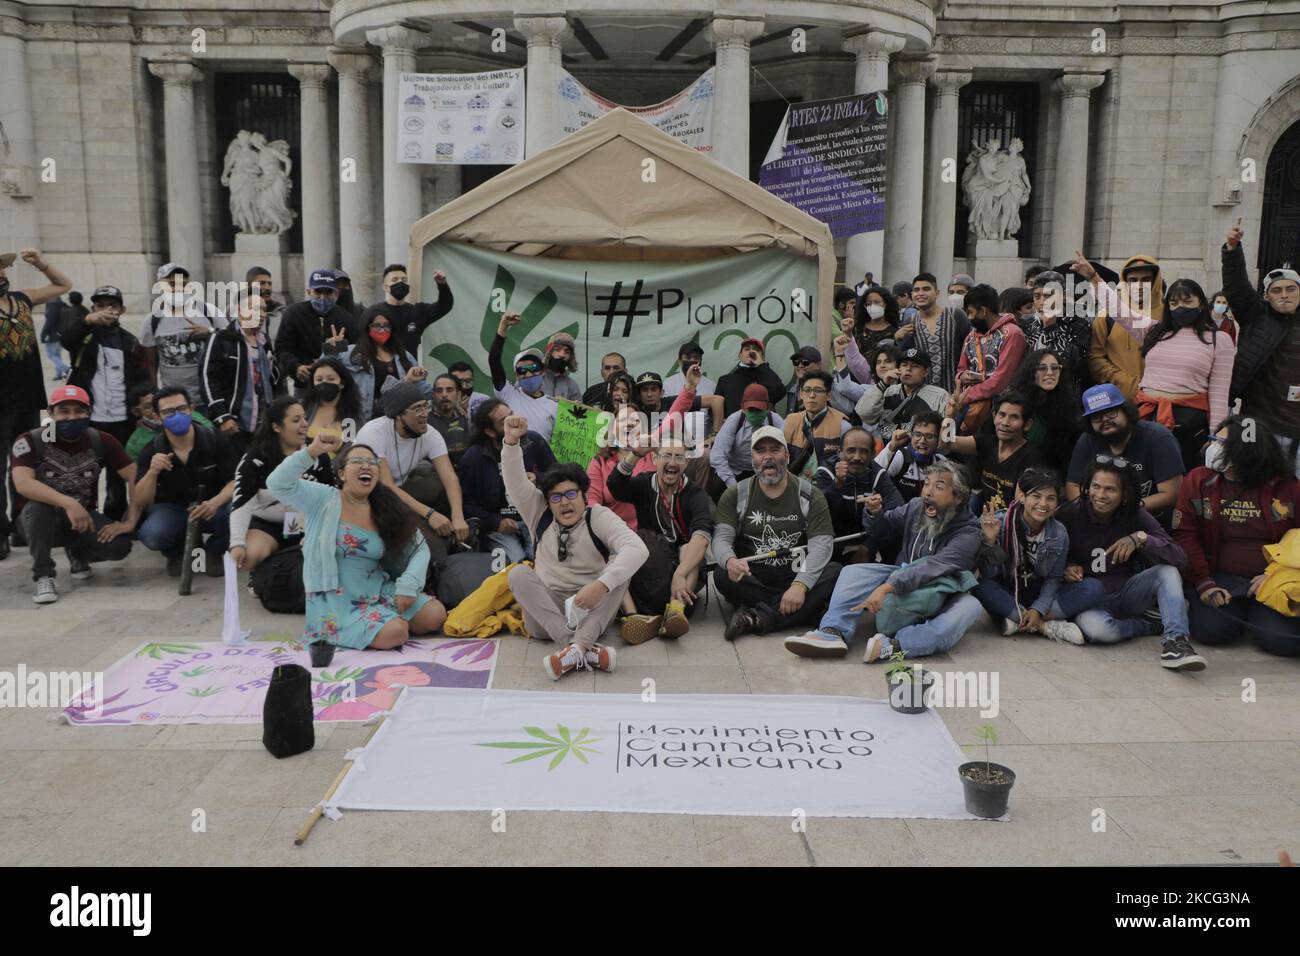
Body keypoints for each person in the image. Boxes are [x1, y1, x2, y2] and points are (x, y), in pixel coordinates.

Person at [784, 460, 981, 661]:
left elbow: (933, 567)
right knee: (852, 572)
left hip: (942, 591)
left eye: (939, 487)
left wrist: (888, 586)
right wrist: (875, 513)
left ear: (959, 498)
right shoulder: (916, 507)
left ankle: (895, 645)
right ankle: (833, 632)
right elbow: (884, 530)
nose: (928, 492)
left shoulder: (969, 532)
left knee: (970, 607)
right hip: (902, 576)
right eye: (927, 483)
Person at [501, 415, 648, 679]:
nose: (564, 503)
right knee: (517, 573)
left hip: (590, 612)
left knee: (621, 569)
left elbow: (638, 549)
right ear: (548, 501)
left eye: (571, 494)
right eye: (556, 497)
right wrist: (511, 443)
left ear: (583, 495)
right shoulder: (539, 513)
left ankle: (574, 651)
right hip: (545, 616)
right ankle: (579, 648)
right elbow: (515, 484)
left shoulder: (597, 515)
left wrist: (600, 585)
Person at [267, 434, 446, 649]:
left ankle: (384, 618)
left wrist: (408, 584)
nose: (366, 466)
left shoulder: (385, 506)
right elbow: (277, 484)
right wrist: (311, 452)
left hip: (377, 588)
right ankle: (348, 630)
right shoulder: (323, 499)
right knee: (396, 633)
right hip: (337, 600)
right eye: (358, 462)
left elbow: (419, 547)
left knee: (435, 616)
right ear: (342, 473)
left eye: (372, 463)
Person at [1075, 254, 1235, 471]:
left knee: (1179, 479)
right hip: (1146, 416)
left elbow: (1219, 394)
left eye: (1188, 301)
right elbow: (1117, 309)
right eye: (1174, 302)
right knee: (1138, 474)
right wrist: (1093, 277)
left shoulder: (1219, 340)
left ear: (1201, 304)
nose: (1181, 307)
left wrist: (1217, 437)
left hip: (1189, 423)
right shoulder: (1153, 331)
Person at [1056, 457, 1204, 669]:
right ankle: (1148, 625)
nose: (1100, 495)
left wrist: (1141, 539)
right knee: (1098, 631)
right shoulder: (1069, 514)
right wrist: (1067, 568)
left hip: (1125, 592)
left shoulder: (1134, 514)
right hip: (1087, 599)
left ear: (1125, 495)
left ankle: (1176, 642)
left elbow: (1179, 557)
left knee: (1167, 572)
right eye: (1095, 486)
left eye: (1110, 489)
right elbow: (1049, 556)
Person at [1174, 415, 1300, 658]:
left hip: (1272, 579)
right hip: (1219, 576)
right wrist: (1204, 584)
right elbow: (1186, 536)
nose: (1212, 447)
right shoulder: (1199, 480)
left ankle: (1257, 614)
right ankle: (1241, 613)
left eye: (1221, 443)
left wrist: (1273, 575)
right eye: (1213, 439)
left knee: (1284, 642)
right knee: (1210, 632)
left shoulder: (1287, 486)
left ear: (1246, 451)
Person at [711, 426, 840, 639]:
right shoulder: (736, 493)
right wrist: (731, 561)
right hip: (753, 576)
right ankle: (803, 611)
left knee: (834, 572)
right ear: (752, 457)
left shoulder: (810, 494)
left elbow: (822, 546)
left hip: (795, 572)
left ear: (787, 455)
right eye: (761, 451)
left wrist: (800, 585)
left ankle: (757, 618)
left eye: (775, 450)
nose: (768, 457)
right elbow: (721, 539)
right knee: (722, 574)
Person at [10, 385, 135, 603]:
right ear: (50, 413)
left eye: (79, 411)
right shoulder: (32, 440)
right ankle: (43, 575)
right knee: (38, 508)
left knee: (120, 546)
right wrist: (67, 503)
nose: (71, 417)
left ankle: (78, 551)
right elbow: (23, 484)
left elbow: (135, 477)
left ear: (89, 412)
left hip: (81, 519)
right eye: (64, 411)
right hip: (36, 521)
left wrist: (130, 520)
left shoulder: (101, 440)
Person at [0, 248, 74, 559]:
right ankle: (0, 534)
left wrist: (40, 264)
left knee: (25, 466)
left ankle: (23, 526)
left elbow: (63, 285)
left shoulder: (22, 298)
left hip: (29, 398)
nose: (2, 275)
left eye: (2, 270)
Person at [973, 469, 1101, 642]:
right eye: (1036, 496)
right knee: (980, 585)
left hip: (1040, 591)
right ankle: (1043, 626)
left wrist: (1038, 609)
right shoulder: (1000, 523)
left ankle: (1019, 619)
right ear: (1022, 497)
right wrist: (990, 541)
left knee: (1094, 587)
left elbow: (1054, 578)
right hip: (1010, 589)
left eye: (1050, 498)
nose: (1043, 504)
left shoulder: (1059, 533)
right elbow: (989, 574)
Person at [608, 436, 714, 642]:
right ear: (655, 458)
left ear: (687, 463)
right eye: (667, 455)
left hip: (682, 573)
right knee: (617, 554)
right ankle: (632, 616)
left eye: (679, 457)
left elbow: (702, 538)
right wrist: (636, 454)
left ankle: (675, 611)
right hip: (650, 561)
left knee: (690, 549)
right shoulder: (644, 484)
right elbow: (615, 486)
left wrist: (680, 575)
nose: (673, 462)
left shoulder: (696, 495)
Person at [128, 386, 238, 577]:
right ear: (157, 416)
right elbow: (140, 499)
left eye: (181, 409)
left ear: (191, 409)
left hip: (212, 507)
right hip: (173, 510)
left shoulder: (214, 439)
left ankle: (215, 549)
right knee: (153, 534)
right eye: (168, 412)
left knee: (240, 513)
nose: (176, 415)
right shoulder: (151, 449)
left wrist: (215, 502)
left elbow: (235, 481)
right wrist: (153, 472)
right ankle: (177, 552)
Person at [62, 284, 151, 519]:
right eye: (100, 306)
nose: (107, 310)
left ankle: (116, 516)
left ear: (121, 310)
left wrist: (141, 408)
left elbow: (143, 379)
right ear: (93, 309)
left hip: (123, 420)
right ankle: (84, 516)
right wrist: (88, 320)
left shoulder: (130, 342)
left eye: (112, 305)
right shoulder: (84, 337)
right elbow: (66, 339)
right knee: (85, 472)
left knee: (118, 473)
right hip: (89, 420)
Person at [355, 382, 469, 560]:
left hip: (403, 491)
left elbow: (449, 476)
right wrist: (429, 514)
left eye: (426, 406)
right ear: (398, 415)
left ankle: (452, 534)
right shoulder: (373, 433)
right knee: (431, 547)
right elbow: (387, 486)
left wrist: (458, 516)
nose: (425, 414)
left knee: (438, 484)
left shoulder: (429, 433)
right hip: (372, 496)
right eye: (417, 409)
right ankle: (426, 539)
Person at [1221, 218, 1300, 470]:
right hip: (1258, 423)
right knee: (1257, 487)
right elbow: (1236, 289)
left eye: (1291, 289)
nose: (1285, 295)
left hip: (1297, 430)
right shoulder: (1256, 317)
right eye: (1277, 291)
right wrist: (1232, 249)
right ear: (1266, 295)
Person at [229, 395, 334, 574]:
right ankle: (261, 572)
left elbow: (331, 498)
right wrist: (237, 543)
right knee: (249, 557)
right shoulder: (255, 458)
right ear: (276, 426)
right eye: (296, 420)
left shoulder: (317, 453)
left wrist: (318, 534)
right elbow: (241, 503)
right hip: (268, 524)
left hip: (307, 523)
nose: (304, 424)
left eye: (304, 418)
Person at [1066, 383, 1185, 523]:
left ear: (1126, 411)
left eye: (1111, 412)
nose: (1105, 419)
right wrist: (1096, 510)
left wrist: (1122, 510)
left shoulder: (1158, 438)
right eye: (1096, 416)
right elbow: (1072, 487)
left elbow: (1172, 494)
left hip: (1152, 524)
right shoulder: (1087, 440)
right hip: (1101, 521)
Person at [456, 398, 554, 564]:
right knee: (515, 562)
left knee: (542, 559)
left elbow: (559, 476)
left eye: (512, 416)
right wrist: (496, 522)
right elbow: (467, 505)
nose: (513, 425)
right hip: (500, 527)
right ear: (490, 431)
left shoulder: (534, 442)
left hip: (535, 518)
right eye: (505, 422)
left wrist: (538, 479)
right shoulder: (474, 458)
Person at [201, 293, 281, 455]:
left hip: (263, 421)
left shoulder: (263, 341)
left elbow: (274, 379)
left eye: (265, 310)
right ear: (239, 310)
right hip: (235, 423)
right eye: (256, 309)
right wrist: (222, 416)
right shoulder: (221, 339)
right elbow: (208, 378)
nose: (262, 315)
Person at [943, 389, 1042, 512]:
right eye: (1002, 415)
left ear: (1027, 424)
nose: (1005, 423)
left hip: (1008, 523)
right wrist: (950, 416)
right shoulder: (987, 443)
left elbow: (1020, 506)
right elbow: (946, 443)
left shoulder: (1031, 457)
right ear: (994, 416)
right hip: (982, 518)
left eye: (1014, 417)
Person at [815, 425, 903, 562]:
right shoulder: (826, 472)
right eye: (851, 451)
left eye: (863, 452)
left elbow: (897, 513)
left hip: (868, 540)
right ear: (840, 452)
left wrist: (875, 516)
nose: (857, 457)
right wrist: (837, 484)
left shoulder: (879, 475)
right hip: (833, 541)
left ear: (873, 455)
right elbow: (819, 514)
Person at [142, 262, 224, 406]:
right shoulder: (151, 320)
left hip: (209, 399)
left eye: (183, 284)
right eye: (172, 284)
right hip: (173, 402)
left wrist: (210, 332)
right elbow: (151, 364)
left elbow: (233, 340)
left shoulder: (209, 311)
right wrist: (156, 393)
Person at [326, 307, 427, 422]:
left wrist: (420, 378)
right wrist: (331, 349)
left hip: (396, 423)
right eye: (377, 326)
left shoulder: (404, 356)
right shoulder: (352, 353)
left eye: (386, 325)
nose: (382, 330)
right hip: (358, 421)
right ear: (367, 327)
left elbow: (422, 389)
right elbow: (324, 369)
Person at [951, 283, 1028, 434]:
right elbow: (960, 369)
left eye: (970, 312)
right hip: (972, 410)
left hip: (1003, 410)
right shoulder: (971, 336)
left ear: (983, 311)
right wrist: (962, 376)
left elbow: (1000, 381)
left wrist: (965, 398)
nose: (969, 318)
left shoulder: (1012, 334)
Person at [1087, 254, 1164, 402]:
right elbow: (1094, 356)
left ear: (1155, 281)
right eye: (1133, 280)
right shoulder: (1106, 316)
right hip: (1119, 401)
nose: (1139, 286)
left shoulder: (1170, 316)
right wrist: (1125, 383)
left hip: (1160, 401)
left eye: (1146, 280)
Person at [586, 373, 656, 527]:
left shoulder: (654, 456)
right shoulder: (600, 461)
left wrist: (689, 389)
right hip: (612, 534)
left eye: (635, 420)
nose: (629, 424)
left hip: (651, 535)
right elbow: (592, 501)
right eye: (623, 420)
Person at [274, 269, 359, 388]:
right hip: (304, 384)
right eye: (318, 292)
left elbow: (354, 352)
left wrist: (335, 347)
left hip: (336, 385)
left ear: (336, 294)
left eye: (328, 292)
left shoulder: (346, 319)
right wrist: (296, 367)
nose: (322, 297)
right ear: (309, 292)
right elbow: (282, 348)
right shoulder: (294, 313)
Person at [1005, 347, 1081, 475]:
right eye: (1042, 368)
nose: (1050, 372)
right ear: (1031, 371)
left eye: (1055, 368)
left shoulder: (1068, 407)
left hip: (1047, 476)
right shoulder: (1014, 403)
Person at [894, 272, 970, 393]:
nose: (921, 293)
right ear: (912, 295)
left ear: (937, 293)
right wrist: (897, 339)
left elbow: (969, 350)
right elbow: (907, 356)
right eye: (916, 290)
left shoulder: (955, 315)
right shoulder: (911, 320)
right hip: (924, 395)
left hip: (955, 393)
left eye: (926, 289)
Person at [488, 311, 557, 440]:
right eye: (522, 371)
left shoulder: (555, 405)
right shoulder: (508, 394)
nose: (529, 374)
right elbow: (494, 360)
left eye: (533, 368)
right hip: (513, 457)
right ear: (516, 375)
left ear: (543, 371)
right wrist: (503, 326)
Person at [856, 347, 949, 440]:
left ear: (926, 372)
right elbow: (865, 415)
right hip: (888, 452)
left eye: (915, 366)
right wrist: (883, 385)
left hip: (920, 452)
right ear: (898, 368)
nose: (908, 369)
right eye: (904, 365)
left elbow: (946, 438)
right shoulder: (887, 391)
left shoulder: (939, 395)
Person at [364, 263, 453, 359]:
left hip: (410, 370)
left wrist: (442, 285)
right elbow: (362, 343)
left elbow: (445, 306)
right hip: (381, 370)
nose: (400, 283)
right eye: (395, 280)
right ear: (385, 287)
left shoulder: (418, 311)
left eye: (404, 280)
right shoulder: (373, 312)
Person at [1023, 270, 1093, 391]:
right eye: (1037, 296)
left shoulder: (1078, 324)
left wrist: (1052, 329)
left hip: (1067, 393)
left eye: (1049, 295)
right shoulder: (1029, 324)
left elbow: (1077, 363)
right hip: (1033, 391)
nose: (1042, 302)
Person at [710, 383, 786, 489]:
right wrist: (732, 485)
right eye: (751, 410)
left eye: (759, 410)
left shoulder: (775, 421)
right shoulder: (735, 420)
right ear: (743, 408)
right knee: (716, 485)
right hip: (736, 472)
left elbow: (786, 451)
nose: (754, 413)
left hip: (765, 471)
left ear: (768, 407)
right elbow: (717, 455)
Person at [783, 369, 850, 478]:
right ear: (801, 394)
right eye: (807, 390)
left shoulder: (842, 425)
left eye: (818, 390)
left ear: (828, 395)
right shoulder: (788, 422)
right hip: (794, 486)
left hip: (829, 488)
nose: (812, 395)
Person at [124, 384, 217, 461]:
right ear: (136, 411)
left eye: (158, 404)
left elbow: (213, 433)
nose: (155, 410)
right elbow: (136, 477)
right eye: (148, 407)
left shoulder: (189, 415)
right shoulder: (135, 443)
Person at [875, 411, 949, 503]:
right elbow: (872, 477)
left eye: (929, 436)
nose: (922, 440)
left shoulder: (941, 461)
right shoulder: (901, 455)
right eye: (917, 434)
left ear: (938, 439)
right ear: (911, 435)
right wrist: (891, 448)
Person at [715, 337, 785, 417]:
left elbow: (779, 391)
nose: (751, 352)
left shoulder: (766, 378)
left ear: (762, 356)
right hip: (733, 428)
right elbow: (715, 410)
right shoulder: (725, 381)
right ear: (740, 355)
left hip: (761, 427)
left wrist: (761, 364)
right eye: (747, 349)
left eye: (756, 350)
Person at [847, 283, 900, 363]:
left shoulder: (895, 331)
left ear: (886, 304)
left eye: (877, 302)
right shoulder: (858, 328)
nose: (872, 306)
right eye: (868, 303)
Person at [429, 373, 471, 465]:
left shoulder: (465, 419)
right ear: (433, 395)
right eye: (439, 391)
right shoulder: (425, 421)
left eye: (449, 390)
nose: (444, 395)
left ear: (458, 394)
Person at [541, 331, 582, 402]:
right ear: (549, 353)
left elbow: (580, 411)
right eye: (557, 349)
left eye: (567, 352)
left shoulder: (572, 385)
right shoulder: (533, 379)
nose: (562, 355)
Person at [784, 345, 824, 414]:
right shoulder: (793, 391)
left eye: (805, 362)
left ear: (818, 365)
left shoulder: (829, 387)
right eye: (796, 362)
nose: (800, 365)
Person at [41, 294, 69, 379]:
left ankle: (66, 369)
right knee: (57, 355)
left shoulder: (52, 308)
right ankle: (58, 374)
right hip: (61, 334)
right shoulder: (64, 306)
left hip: (52, 335)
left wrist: (43, 334)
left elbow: (48, 323)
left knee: (51, 355)